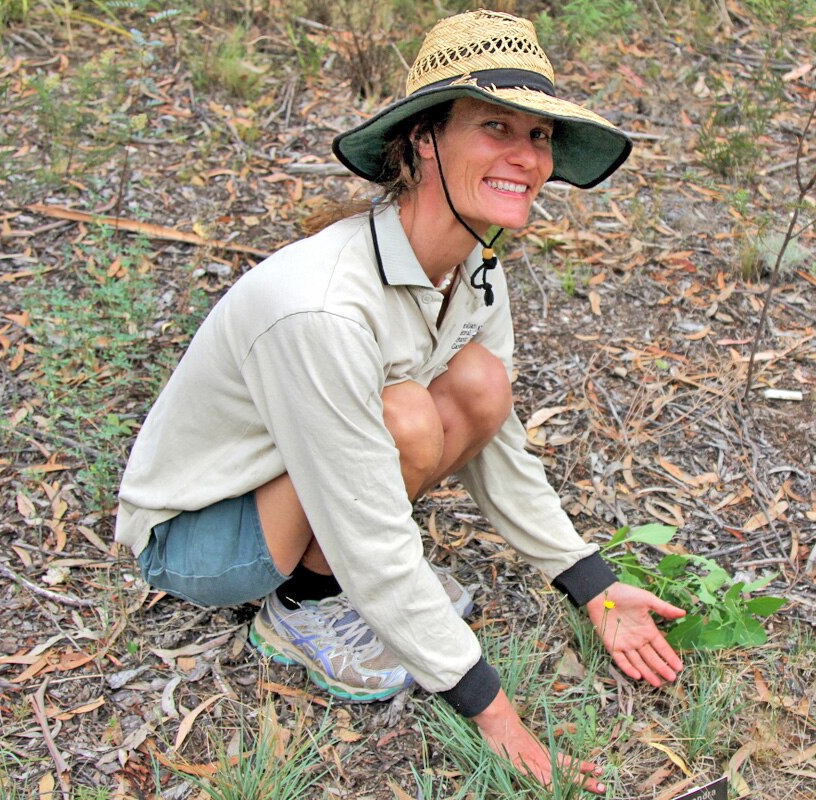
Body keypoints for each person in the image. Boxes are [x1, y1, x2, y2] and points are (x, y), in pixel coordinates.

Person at [116, 9, 685, 793]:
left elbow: (500, 442)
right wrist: (492, 710)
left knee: (482, 382)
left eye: (541, 137)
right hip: (200, 537)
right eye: (496, 127)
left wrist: (590, 582)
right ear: (424, 138)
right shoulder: (321, 306)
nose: (526, 158)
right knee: (406, 417)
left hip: (298, 486)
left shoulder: (476, 270)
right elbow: (368, 524)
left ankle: (333, 588)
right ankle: (305, 608)